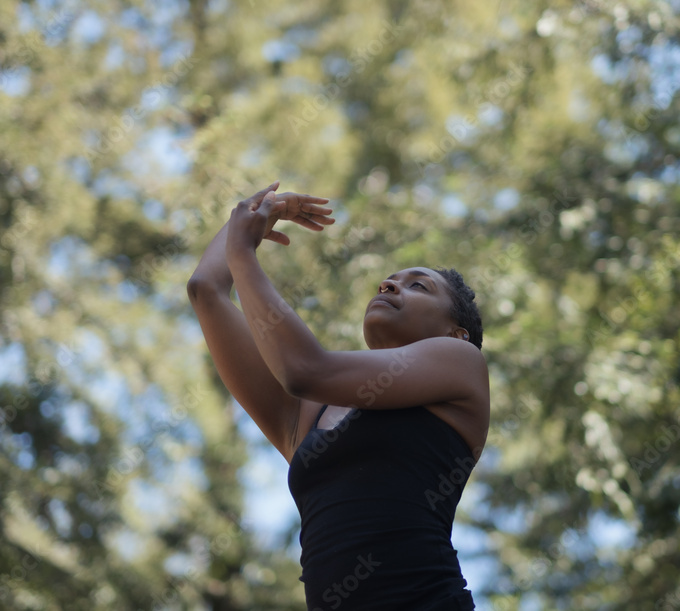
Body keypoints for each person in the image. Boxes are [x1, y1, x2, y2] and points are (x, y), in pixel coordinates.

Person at [187, 181, 489, 609]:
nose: (388, 284)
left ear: (455, 332)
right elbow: (206, 290)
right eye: (389, 279)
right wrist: (252, 217)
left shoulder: (462, 362)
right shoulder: (310, 416)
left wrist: (242, 255)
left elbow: (304, 368)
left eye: (419, 286)